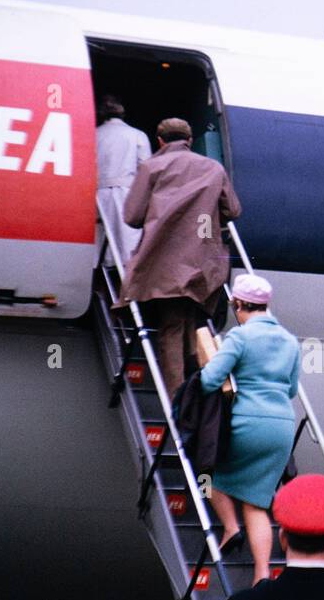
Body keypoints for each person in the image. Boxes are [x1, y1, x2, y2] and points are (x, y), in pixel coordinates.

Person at [119, 117, 242, 396]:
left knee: (172, 327)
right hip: (205, 261)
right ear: (189, 140)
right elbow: (233, 210)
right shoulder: (213, 168)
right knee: (191, 322)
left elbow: (132, 216)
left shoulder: (152, 167)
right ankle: (197, 389)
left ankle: (177, 398)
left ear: (160, 141)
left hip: (166, 262)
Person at [198, 273, 299, 585]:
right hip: (282, 426)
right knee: (256, 501)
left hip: (248, 422)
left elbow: (209, 380)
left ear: (239, 304)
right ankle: (262, 573)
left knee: (207, 476)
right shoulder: (290, 341)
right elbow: (292, 389)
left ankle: (230, 527)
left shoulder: (239, 338)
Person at [94, 94, 151, 267]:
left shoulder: (94, 134)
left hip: (96, 193)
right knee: (127, 244)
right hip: (127, 193)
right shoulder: (137, 135)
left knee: (98, 242)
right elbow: (146, 168)